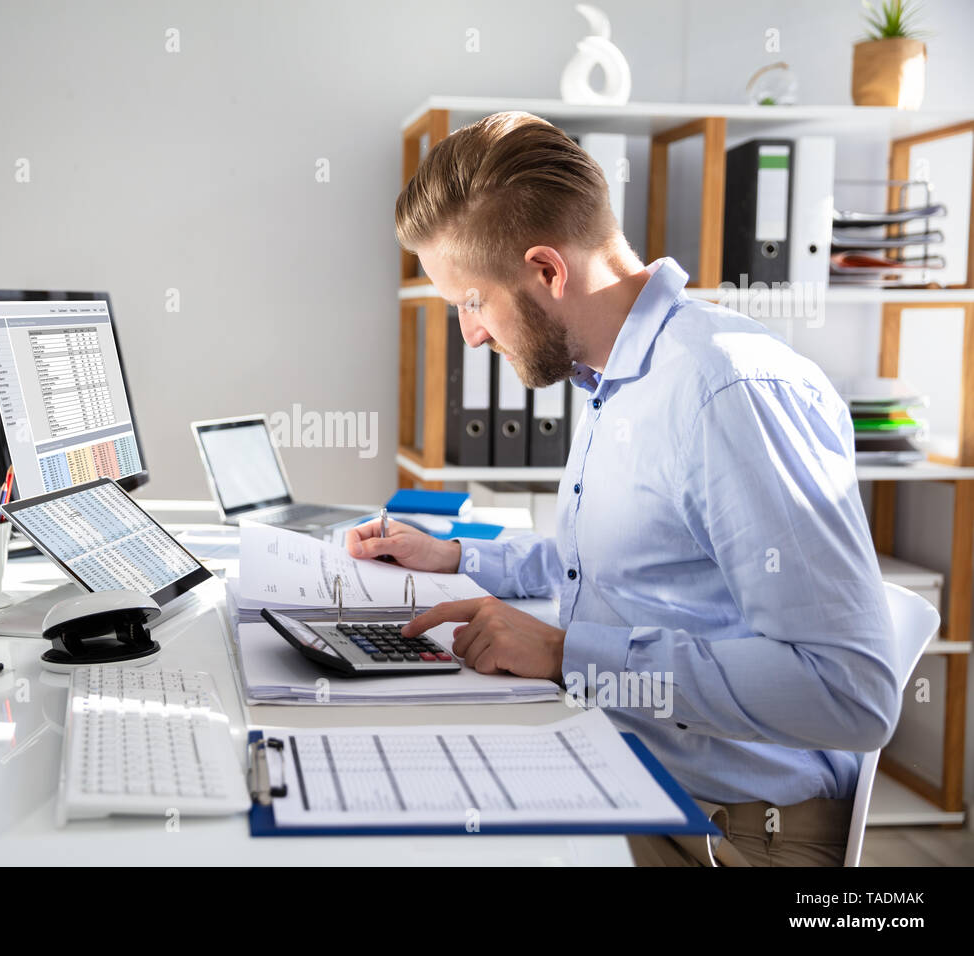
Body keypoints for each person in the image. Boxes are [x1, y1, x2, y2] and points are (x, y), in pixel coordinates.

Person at [346, 111, 902, 866]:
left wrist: (572, 654)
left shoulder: (723, 390)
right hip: (628, 775)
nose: (470, 335)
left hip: (730, 834)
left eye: (472, 302)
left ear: (547, 270)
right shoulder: (617, 376)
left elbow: (849, 692)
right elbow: (613, 559)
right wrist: (457, 558)